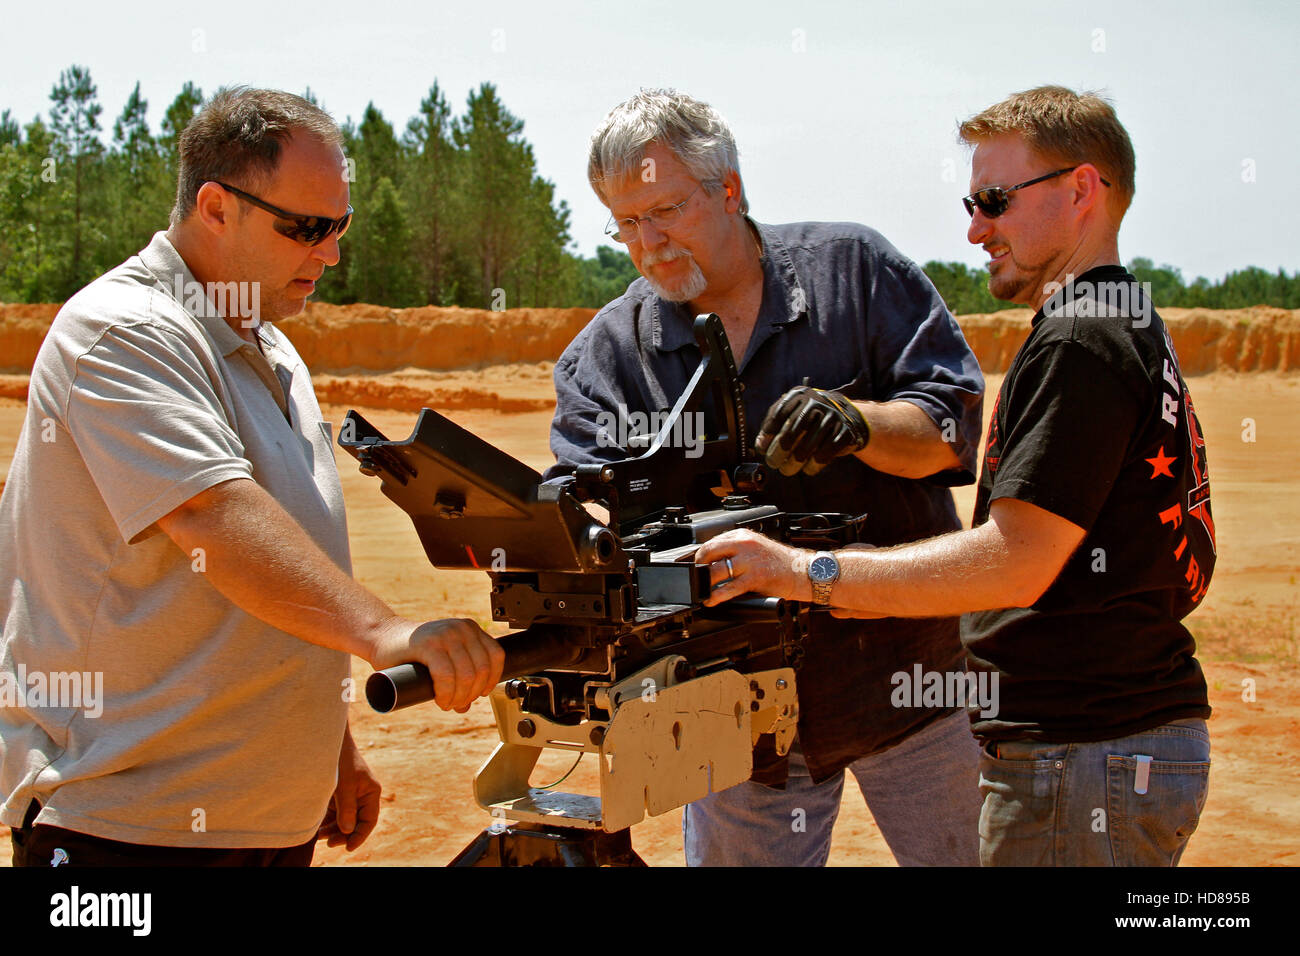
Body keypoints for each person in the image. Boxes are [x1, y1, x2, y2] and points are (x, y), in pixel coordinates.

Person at [699, 86, 1215, 866]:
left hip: (1083, 755)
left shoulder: (1084, 339)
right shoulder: (1125, 320)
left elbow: (1013, 561)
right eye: (971, 203)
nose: (976, 228)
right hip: (1108, 745)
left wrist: (802, 572)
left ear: (1081, 189)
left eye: (996, 201)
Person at [0, 87, 503, 867]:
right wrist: (386, 633)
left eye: (340, 226)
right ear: (215, 205)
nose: (330, 253)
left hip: (264, 821)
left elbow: (281, 558)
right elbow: (212, 517)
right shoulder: (124, 332)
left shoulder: (268, 341)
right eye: (305, 228)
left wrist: (326, 744)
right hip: (126, 824)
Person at [547, 89, 986, 866]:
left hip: (913, 686)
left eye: (667, 211)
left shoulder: (857, 273)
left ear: (728, 188)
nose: (648, 243)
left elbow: (949, 429)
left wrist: (859, 425)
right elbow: (587, 529)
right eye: (626, 223)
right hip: (729, 716)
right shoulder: (605, 359)